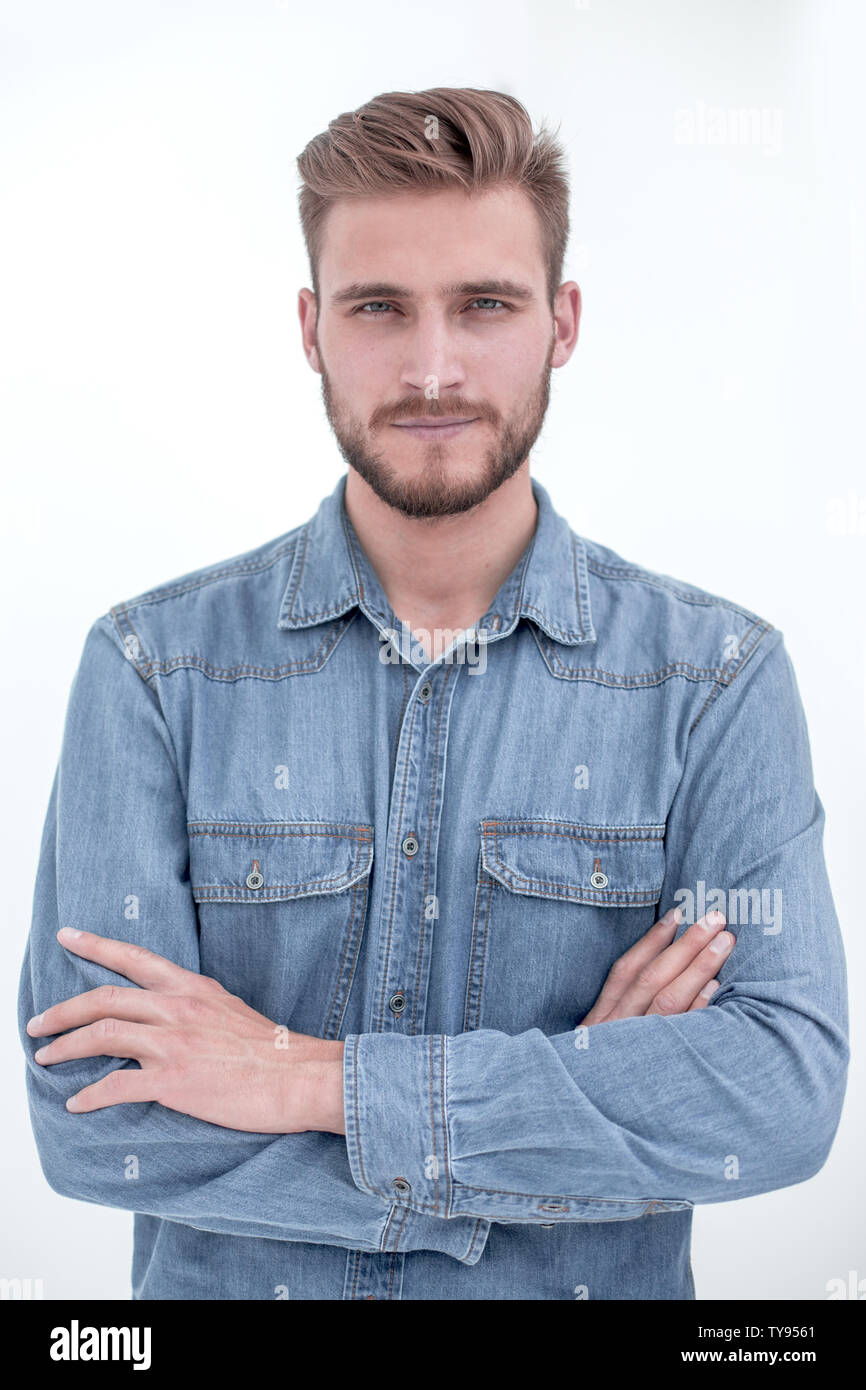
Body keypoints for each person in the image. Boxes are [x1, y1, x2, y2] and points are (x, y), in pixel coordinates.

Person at [19, 86, 848, 1301]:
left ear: (561, 321)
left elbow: (775, 1094)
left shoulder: (713, 682)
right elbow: (95, 1123)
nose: (430, 367)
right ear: (310, 327)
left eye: (484, 304)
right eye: (377, 308)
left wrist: (301, 1077)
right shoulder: (154, 669)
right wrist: (569, 1109)